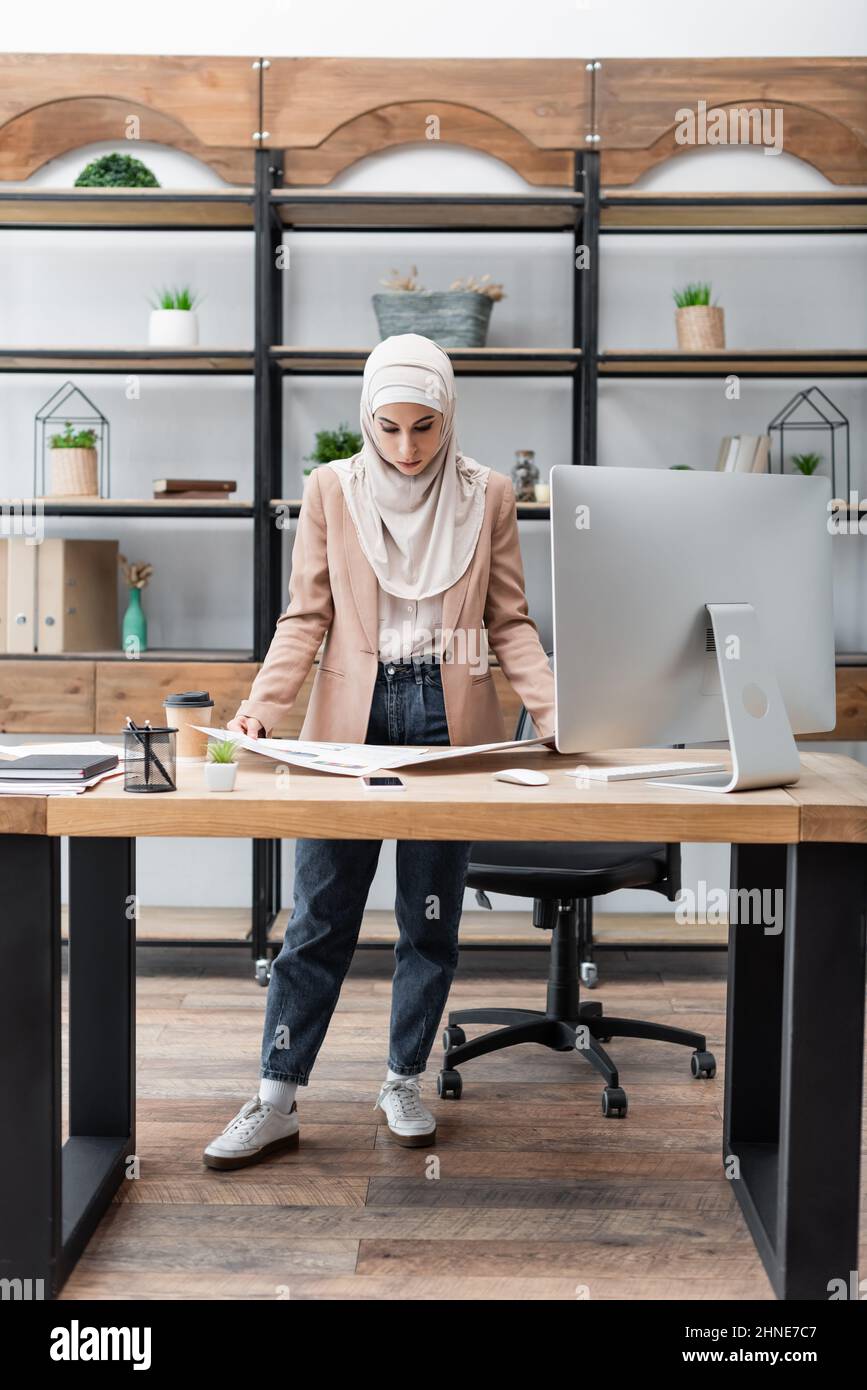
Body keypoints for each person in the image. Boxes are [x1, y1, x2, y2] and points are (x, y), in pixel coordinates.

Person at [203, 333, 555, 1168]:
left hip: (449, 709)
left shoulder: (490, 494)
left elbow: (507, 622)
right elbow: (306, 616)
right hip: (348, 719)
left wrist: (554, 712)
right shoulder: (330, 489)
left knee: (428, 919)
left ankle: (403, 1076)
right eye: (389, 428)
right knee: (320, 912)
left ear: (448, 416)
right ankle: (276, 1096)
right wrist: (262, 709)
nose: (405, 449)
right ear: (366, 420)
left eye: (424, 428)